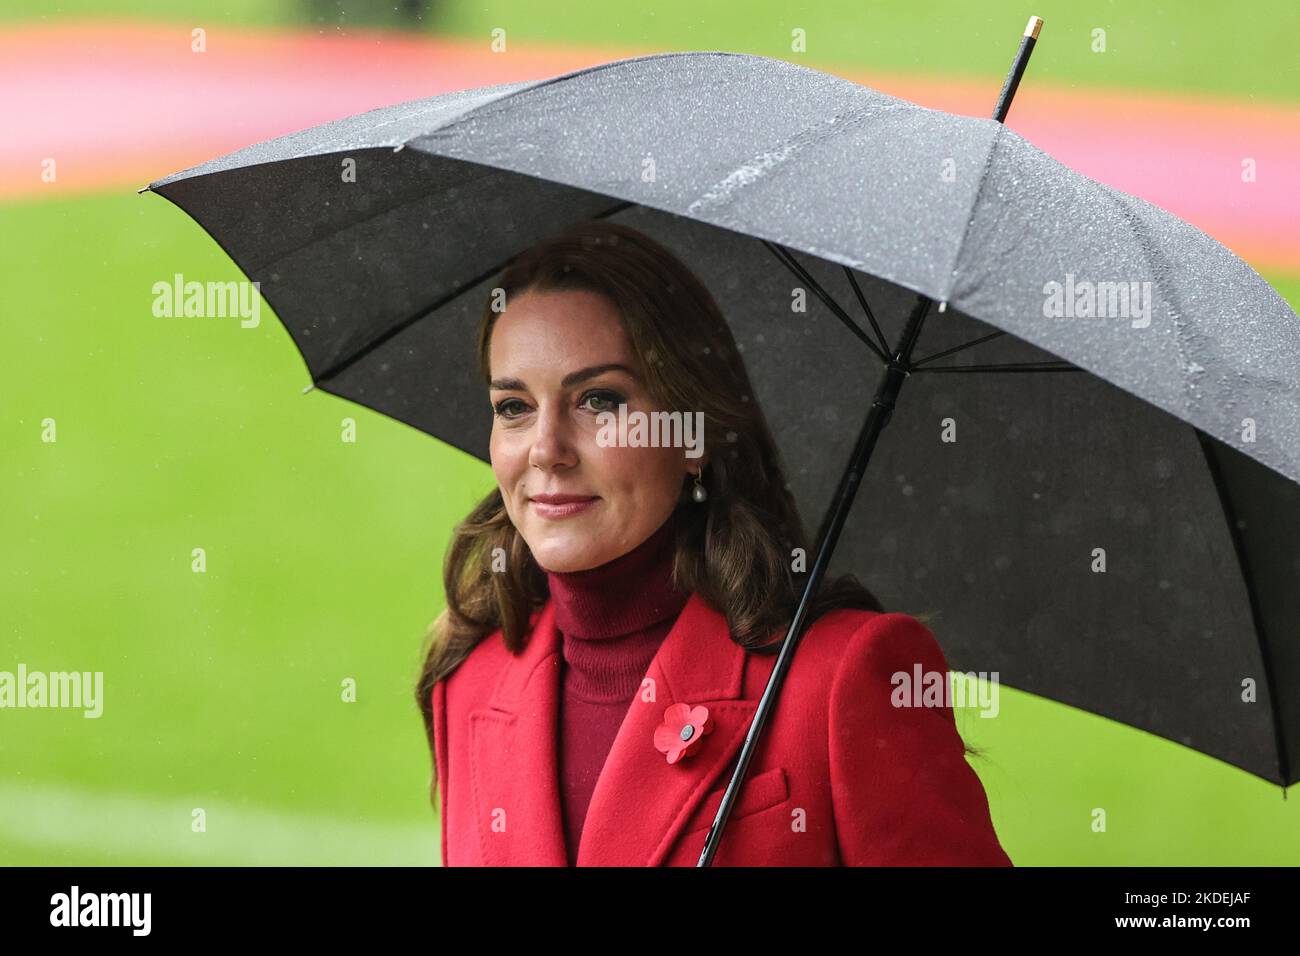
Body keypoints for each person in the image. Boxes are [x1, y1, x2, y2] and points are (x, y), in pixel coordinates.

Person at [415, 219, 1012, 866]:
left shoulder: (844, 676)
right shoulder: (470, 679)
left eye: (599, 400)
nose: (547, 450)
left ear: (693, 434)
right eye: (513, 407)